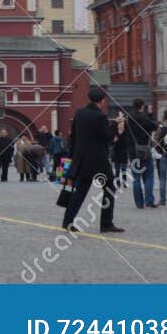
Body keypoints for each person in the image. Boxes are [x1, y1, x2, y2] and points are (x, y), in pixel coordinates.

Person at [63, 86, 121, 235]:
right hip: (99, 161)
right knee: (109, 188)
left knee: (81, 190)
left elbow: (73, 136)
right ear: (101, 101)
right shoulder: (99, 116)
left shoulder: (79, 113)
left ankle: (68, 221)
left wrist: (73, 156)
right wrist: (115, 125)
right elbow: (107, 137)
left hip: (82, 159)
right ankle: (106, 223)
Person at [124, 99, 156, 208]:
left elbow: (126, 135)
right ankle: (149, 201)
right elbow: (155, 126)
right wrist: (151, 114)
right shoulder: (145, 117)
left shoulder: (128, 118)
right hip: (145, 150)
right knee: (149, 176)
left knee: (136, 178)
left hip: (133, 151)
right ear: (142, 106)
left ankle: (139, 203)